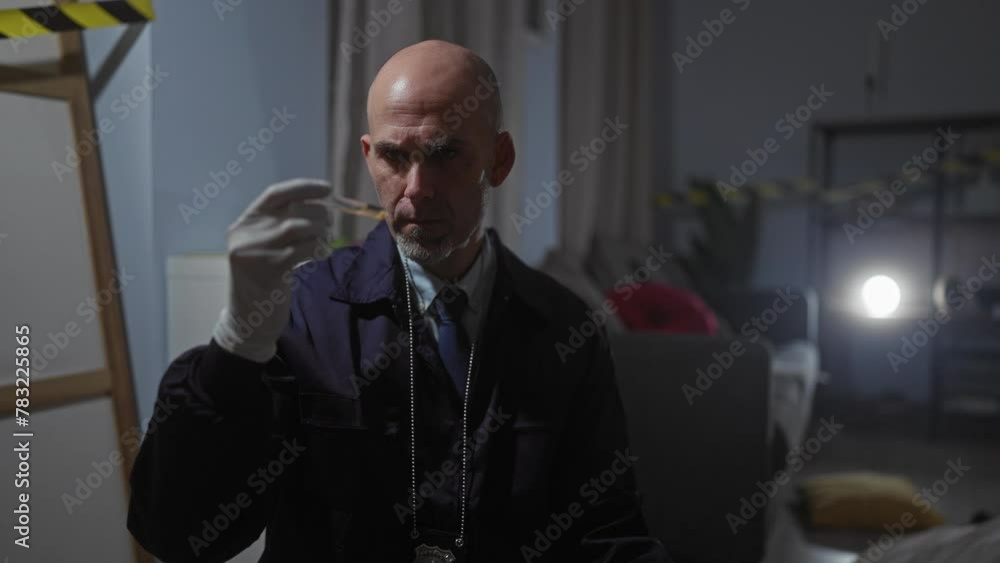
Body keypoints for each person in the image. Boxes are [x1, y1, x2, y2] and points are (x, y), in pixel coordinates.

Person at [127, 39, 669, 563]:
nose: (416, 188)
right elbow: (181, 536)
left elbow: (607, 533)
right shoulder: (305, 314)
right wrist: (236, 343)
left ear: (498, 160)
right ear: (368, 157)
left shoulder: (564, 328)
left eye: (445, 154)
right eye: (394, 156)